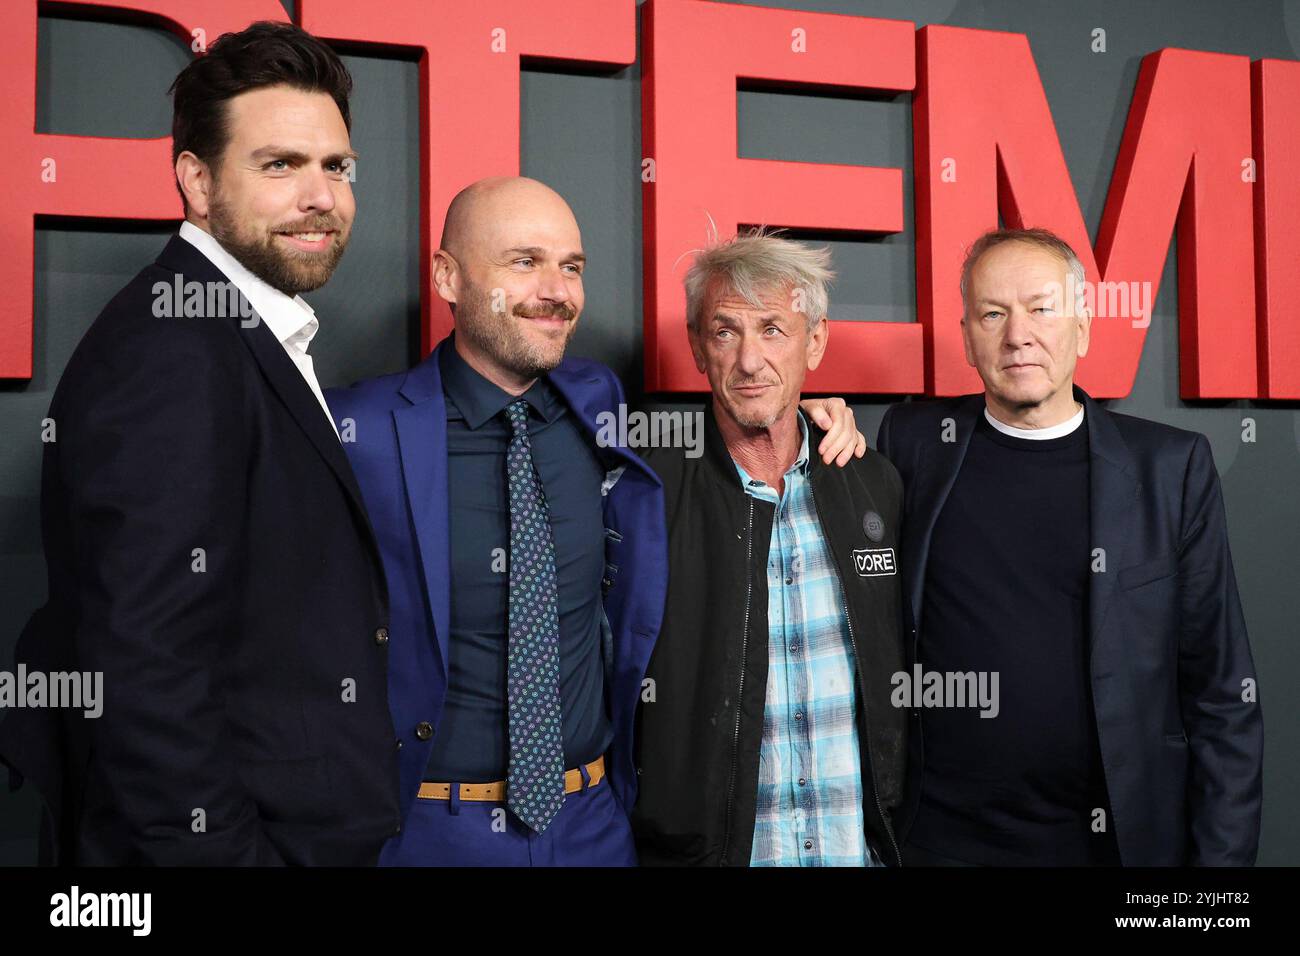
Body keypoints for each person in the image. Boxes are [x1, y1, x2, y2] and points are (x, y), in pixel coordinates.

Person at [327, 181, 867, 865]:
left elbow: (746, 404)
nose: (555, 289)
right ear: (448, 277)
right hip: (435, 829)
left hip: (593, 825)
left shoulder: (596, 403)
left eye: (572, 267)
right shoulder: (361, 430)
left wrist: (814, 414)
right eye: (524, 262)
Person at [0, 22, 401, 864]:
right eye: (280, 165)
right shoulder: (172, 350)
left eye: (337, 166)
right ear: (196, 180)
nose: (321, 194)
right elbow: (147, 676)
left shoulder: (235, 330)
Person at [876, 227, 1263, 866]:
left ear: (1082, 326)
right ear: (967, 336)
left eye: (1040, 308)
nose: (1017, 334)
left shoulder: (1169, 469)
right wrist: (819, 422)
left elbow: (1223, 697)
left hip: (1109, 850)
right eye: (992, 313)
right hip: (939, 845)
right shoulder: (912, 443)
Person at [631, 231, 908, 866]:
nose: (750, 361)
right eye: (725, 332)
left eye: (774, 330)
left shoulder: (873, 484)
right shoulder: (647, 490)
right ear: (699, 348)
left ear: (816, 341)